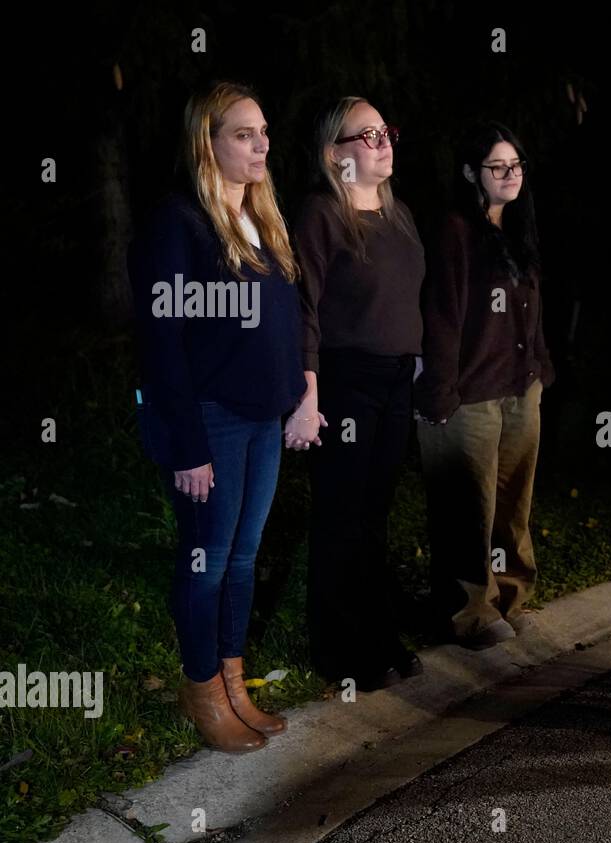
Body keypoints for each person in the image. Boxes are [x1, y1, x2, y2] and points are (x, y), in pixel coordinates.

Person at [130, 81, 307, 753]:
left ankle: (235, 684)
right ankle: (201, 686)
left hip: (264, 419)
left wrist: (299, 393)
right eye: (243, 133)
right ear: (208, 143)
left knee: (243, 560)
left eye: (263, 131)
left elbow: (284, 321)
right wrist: (186, 445)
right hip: (211, 421)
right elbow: (162, 342)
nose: (261, 143)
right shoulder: (178, 223)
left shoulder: (263, 216)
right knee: (207, 562)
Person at [293, 97, 426, 691]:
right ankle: (337, 646)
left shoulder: (400, 216)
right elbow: (304, 309)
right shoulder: (321, 214)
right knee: (341, 515)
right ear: (334, 153)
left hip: (397, 379)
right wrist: (308, 391)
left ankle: (377, 632)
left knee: (374, 516)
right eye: (367, 135)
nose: (384, 142)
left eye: (386, 132)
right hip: (346, 381)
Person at [414, 122, 555, 648]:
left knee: (514, 503)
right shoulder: (455, 229)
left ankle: (512, 594)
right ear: (472, 172)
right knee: (467, 509)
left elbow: (533, 309)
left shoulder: (517, 228)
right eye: (498, 166)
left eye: (516, 165)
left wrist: (541, 366)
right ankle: (468, 612)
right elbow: (443, 314)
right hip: (470, 393)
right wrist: (440, 392)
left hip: (521, 389)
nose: (510, 174)